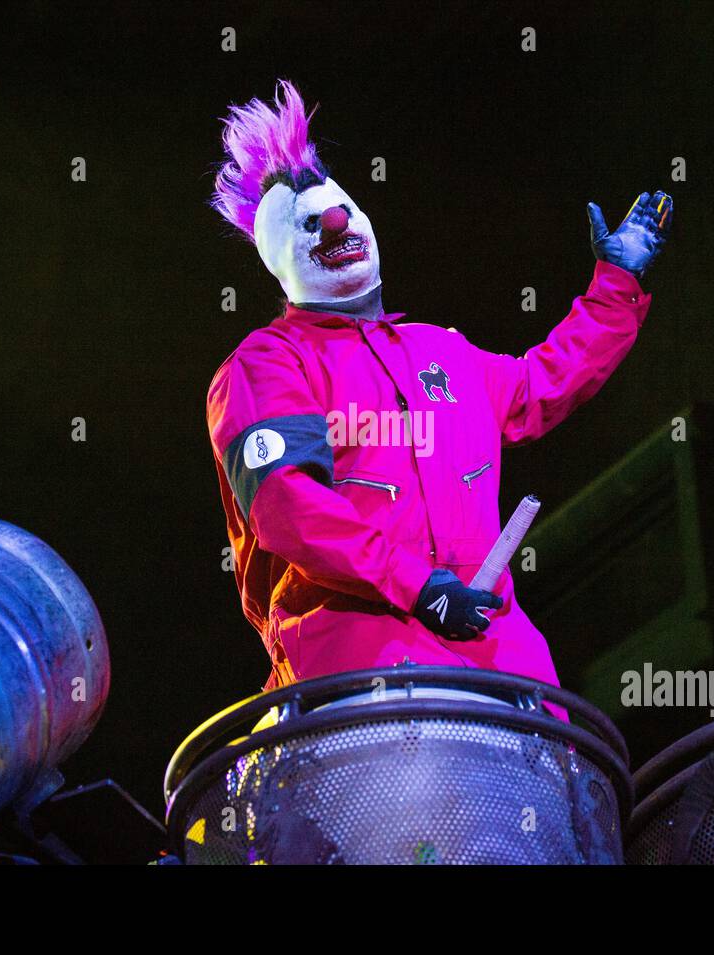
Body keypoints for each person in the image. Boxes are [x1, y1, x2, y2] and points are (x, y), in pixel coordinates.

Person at [206, 80, 672, 697]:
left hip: (501, 669)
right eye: (311, 224)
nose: (337, 225)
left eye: (343, 209)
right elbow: (287, 505)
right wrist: (415, 585)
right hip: (356, 674)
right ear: (280, 258)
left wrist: (617, 283)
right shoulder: (266, 365)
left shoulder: (443, 352)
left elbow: (543, 383)